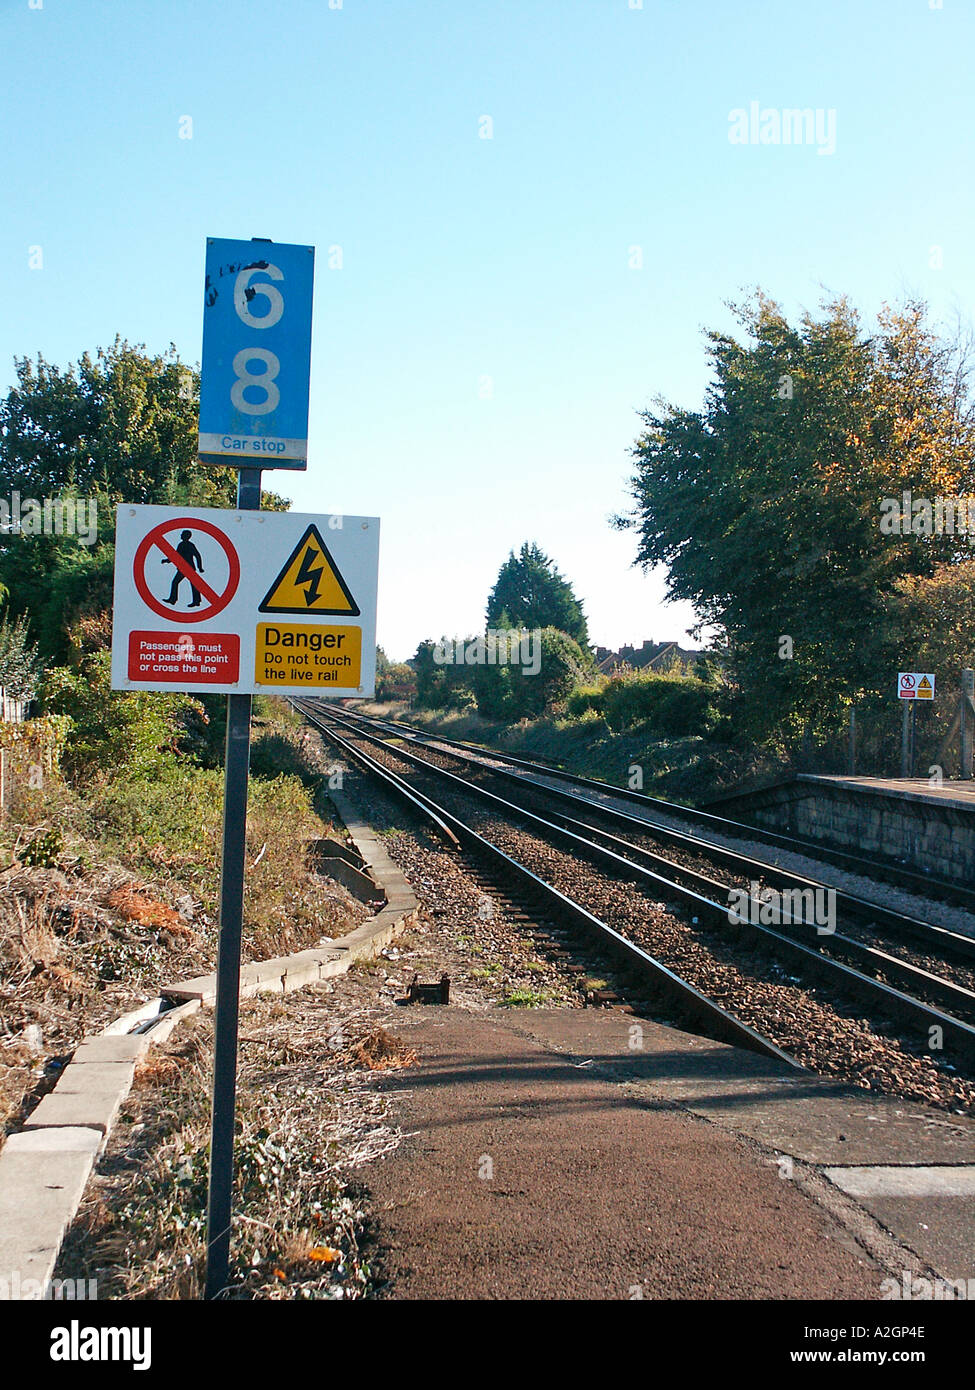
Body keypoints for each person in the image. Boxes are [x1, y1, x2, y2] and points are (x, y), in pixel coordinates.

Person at [162, 530, 205, 607]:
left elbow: (197, 555)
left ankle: (195, 601)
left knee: (192, 584)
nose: (180, 535)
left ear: (186, 536)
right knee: (179, 582)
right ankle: (173, 599)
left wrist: (200, 567)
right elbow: (175, 556)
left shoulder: (189, 545)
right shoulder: (181, 544)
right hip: (183, 568)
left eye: (182, 534)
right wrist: (167, 560)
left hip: (188, 568)